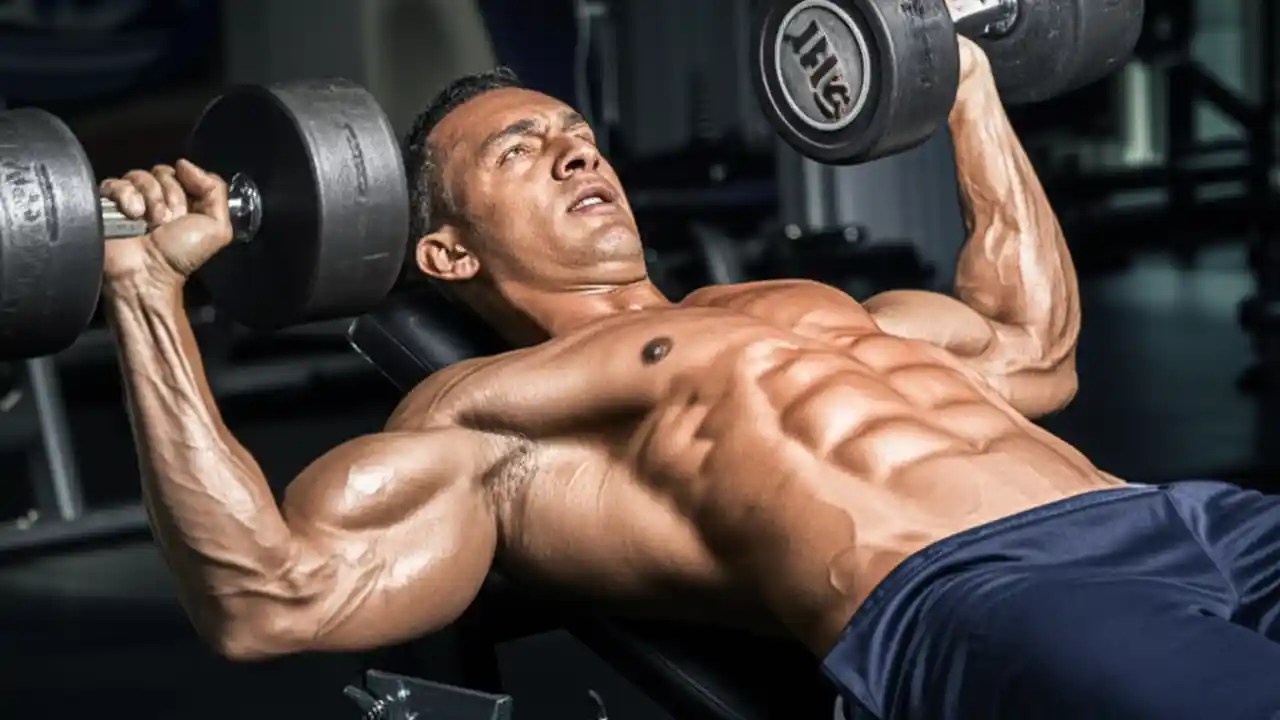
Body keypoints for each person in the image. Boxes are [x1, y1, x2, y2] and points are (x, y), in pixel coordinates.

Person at [99, 38, 1280, 720]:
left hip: (1185, 522)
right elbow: (271, 595)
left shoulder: (801, 306)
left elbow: (1031, 349)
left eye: (575, 133)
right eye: (520, 150)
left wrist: (961, 81)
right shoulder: (494, 416)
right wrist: (147, 290)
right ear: (448, 254)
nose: (574, 151)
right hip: (982, 598)